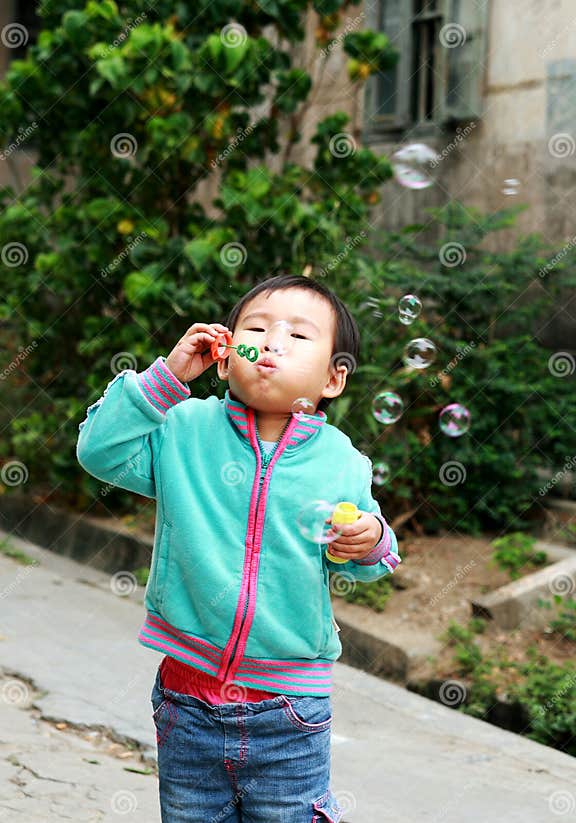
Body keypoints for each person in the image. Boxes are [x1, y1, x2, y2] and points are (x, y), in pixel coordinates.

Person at [76, 274, 401, 823]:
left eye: (299, 336)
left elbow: (369, 559)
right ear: (226, 359)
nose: (273, 341)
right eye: (256, 328)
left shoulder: (341, 460)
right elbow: (99, 452)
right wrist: (168, 379)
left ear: (333, 378)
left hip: (290, 708)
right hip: (186, 699)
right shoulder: (183, 431)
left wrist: (369, 540)